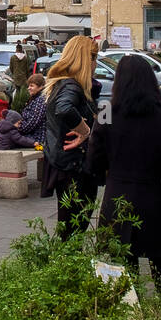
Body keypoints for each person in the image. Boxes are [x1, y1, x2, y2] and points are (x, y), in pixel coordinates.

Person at [87, 55, 161, 285]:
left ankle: (129, 317)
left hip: (118, 202)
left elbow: (94, 160)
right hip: (160, 204)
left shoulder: (106, 113)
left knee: (120, 281)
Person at [42, 35, 100, 239]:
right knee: (72, 230)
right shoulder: (71, 85)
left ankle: (66, 267)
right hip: (74, 167)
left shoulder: (63, 84)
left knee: (70, 229)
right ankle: (65, 269)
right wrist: (85, 130)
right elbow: (63, 109)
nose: (96, 63)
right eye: (95, 57)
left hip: (66, 166)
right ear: (86, 59)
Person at [14, 73, 48, 147]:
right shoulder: (35, 98)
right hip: (31, 136)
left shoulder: (40, 100)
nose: (28, 88)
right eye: (28, 85)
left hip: (36, 139)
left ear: (40, 87)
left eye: (32, 86)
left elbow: (33, 122)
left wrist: (18, 128)